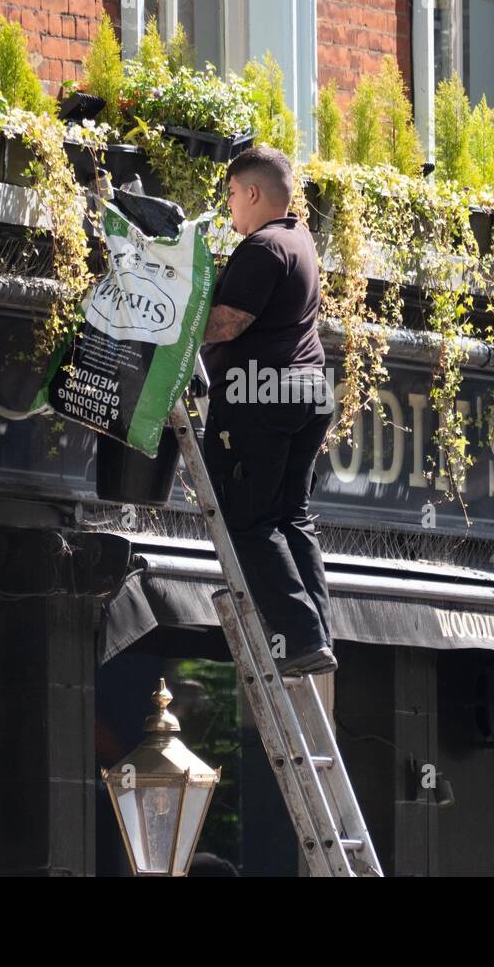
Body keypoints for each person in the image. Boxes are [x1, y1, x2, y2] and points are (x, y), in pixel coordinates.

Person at [200, 145, 336, 676]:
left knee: (248, 520)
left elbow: (229, 323)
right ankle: (316, 635)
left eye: (232, 194)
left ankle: (298, 639)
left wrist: (172, 325)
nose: (230, 206)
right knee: (292, 517)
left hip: (261, 393)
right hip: (308, 390)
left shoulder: (262, 247)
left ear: (253, 193)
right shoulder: (300, 239)